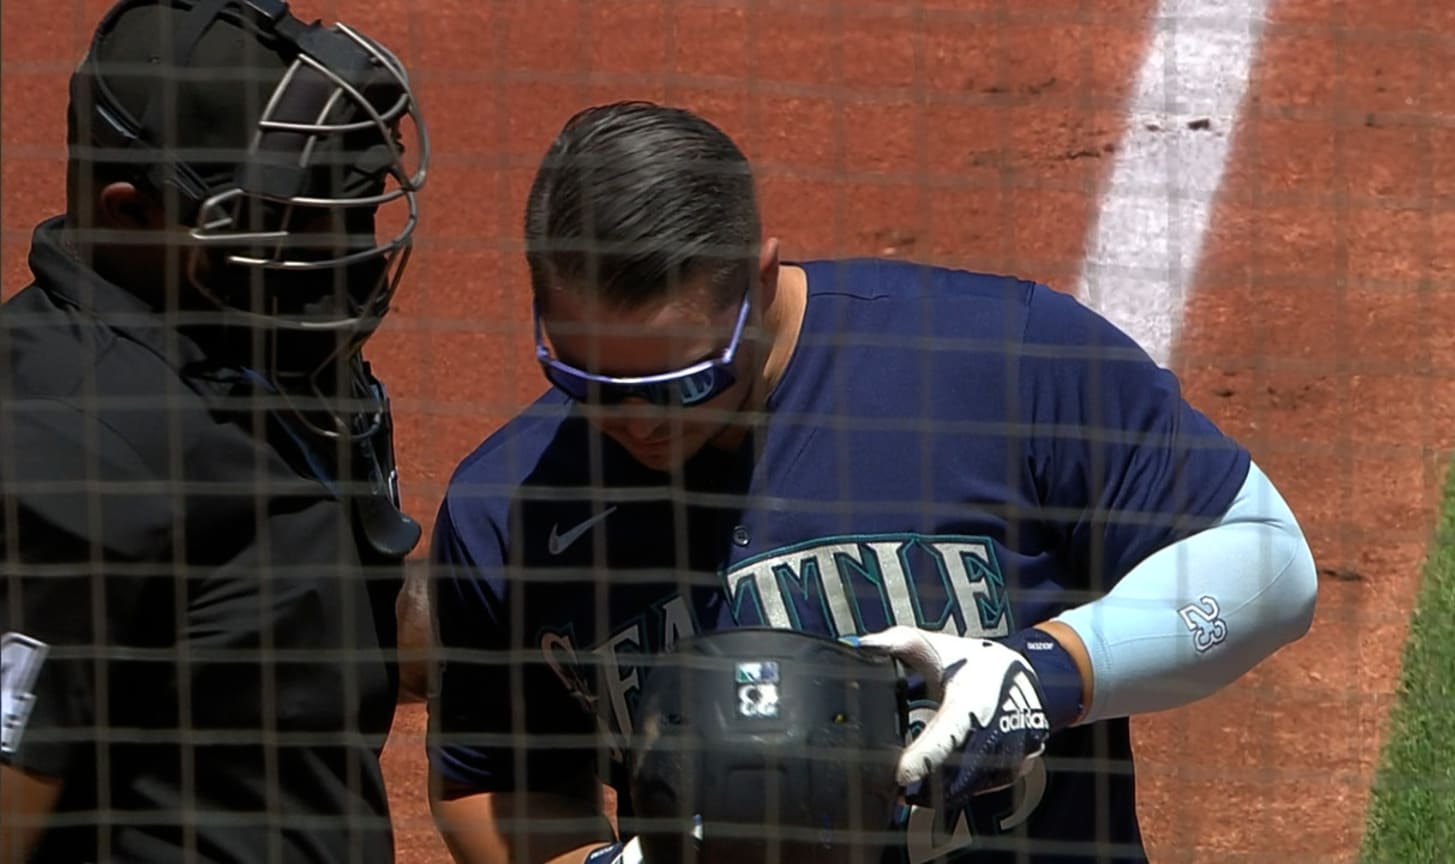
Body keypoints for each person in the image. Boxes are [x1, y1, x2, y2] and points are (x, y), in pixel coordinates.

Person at [425, 100, 1317, 864]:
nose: (638, 421)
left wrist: (1048, 672)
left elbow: (1269, 566)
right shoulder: (509, 510)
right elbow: (493, 785)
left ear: (759, 277)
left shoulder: (997, 361)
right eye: (585, 381)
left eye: (685, 381)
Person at [0, 0, 429, 861]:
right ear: (129, 212)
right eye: (295, 218)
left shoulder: (249, 336)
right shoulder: (64, 446)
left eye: (352, 208)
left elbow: (310, 633)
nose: (345, 250)